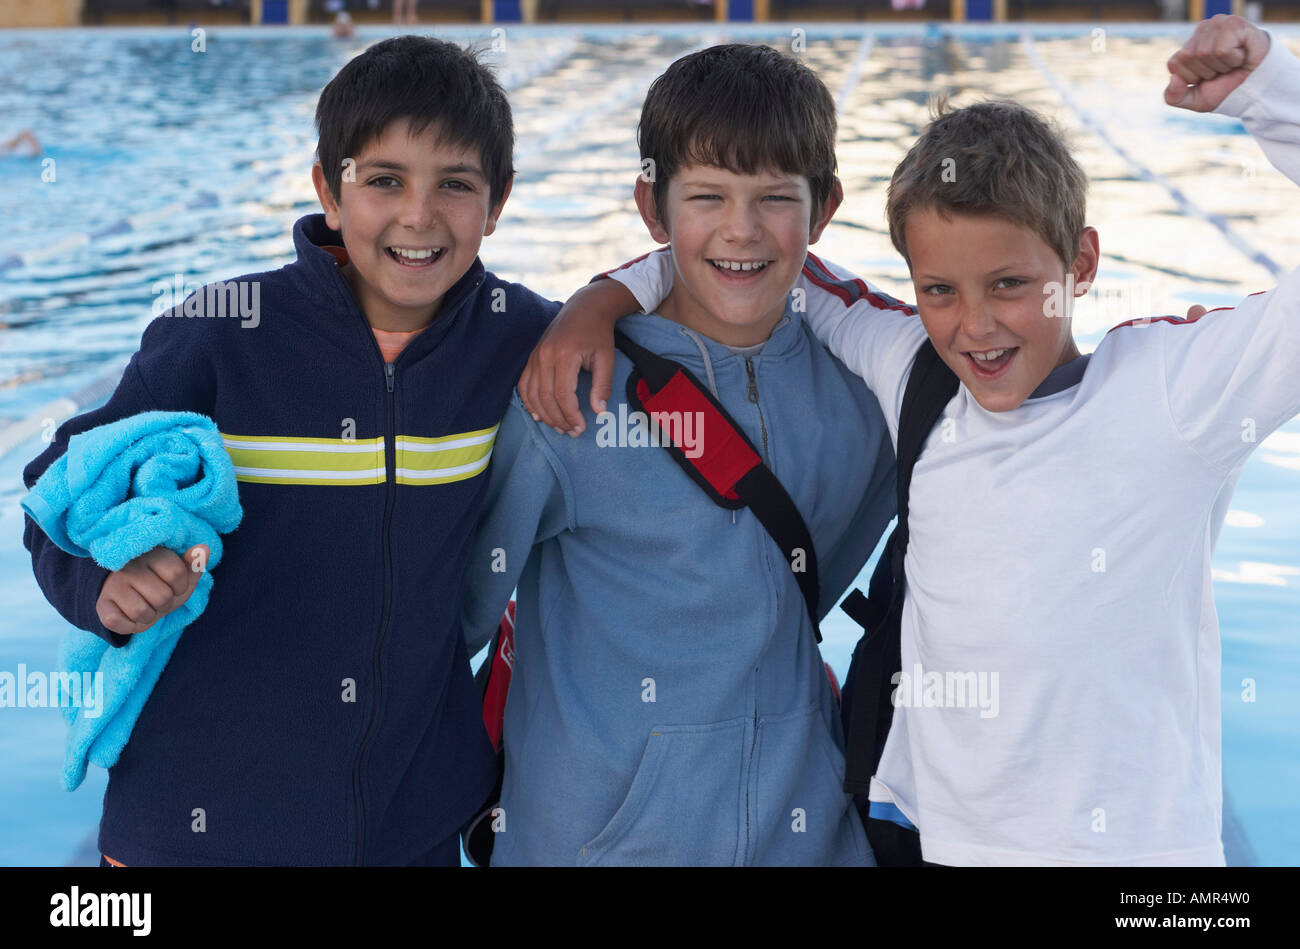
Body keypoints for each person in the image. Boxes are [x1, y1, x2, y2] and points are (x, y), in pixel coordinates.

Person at [517, 15, 1300, 865]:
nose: (976, 325)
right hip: (924, 843)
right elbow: (768, 264)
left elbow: (775, 254)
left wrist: (1271, 93)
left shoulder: (1171, 392)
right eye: (939, 289)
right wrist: (605, 300)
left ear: (1081, 262)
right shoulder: (916, 372)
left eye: (1010, 285)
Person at [22, 35, 652, 867]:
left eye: (455, 186)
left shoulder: (518, 340)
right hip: (195, 818)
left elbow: (694, 304)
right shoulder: (223, 334)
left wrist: (603, 302)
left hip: (410, 821)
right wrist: (104, 585)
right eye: (382, 180)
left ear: (497, 203)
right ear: (327, 187)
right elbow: (60, 491)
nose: (418, 217)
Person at [459, 43, 897, 866]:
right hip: (595, 843)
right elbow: (449, 627)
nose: (741, 229)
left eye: (775, 198)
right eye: (707, 198)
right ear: (653, 211)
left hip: (809, 836)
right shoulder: (572, 392)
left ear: (825, 207)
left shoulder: (868, 395)